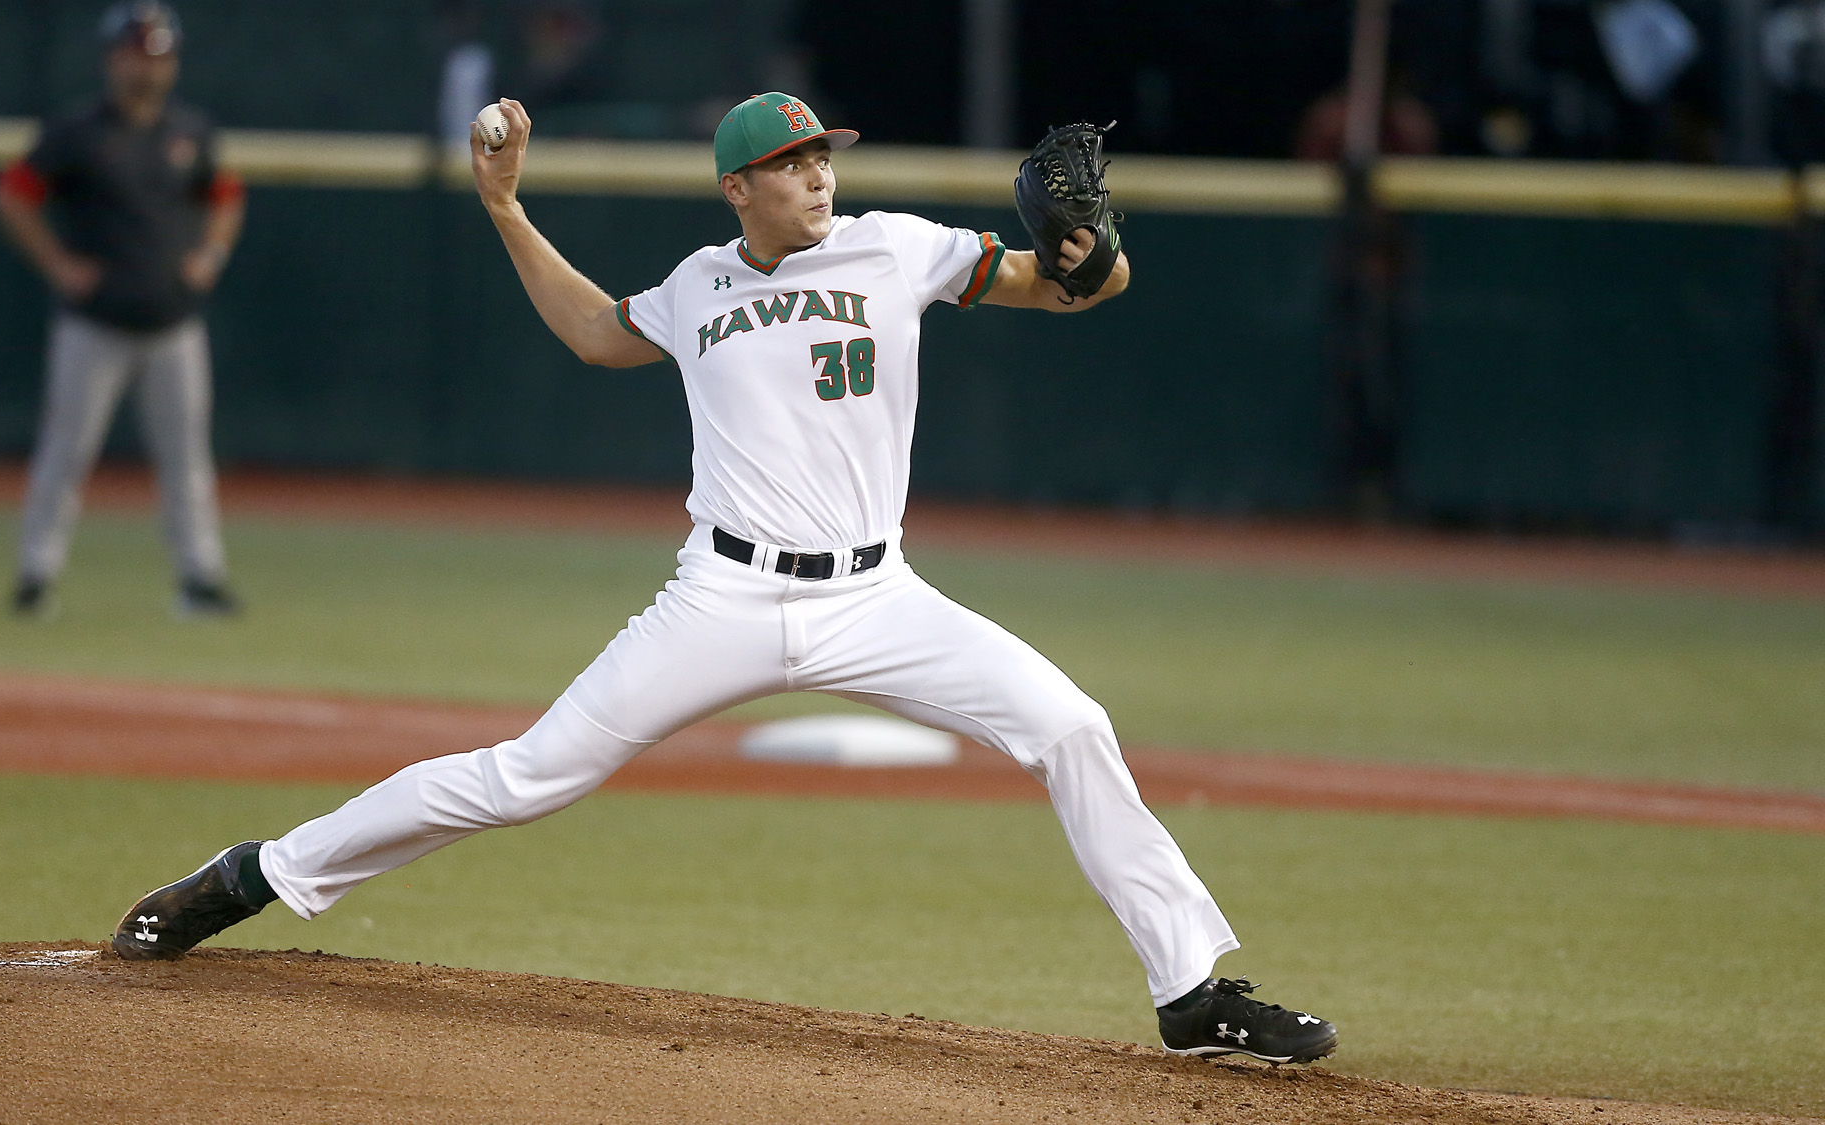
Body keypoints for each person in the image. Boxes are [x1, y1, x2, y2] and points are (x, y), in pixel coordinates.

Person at [111, 92, 1338, 1065]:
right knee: (527, 777)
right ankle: (251, 876)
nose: (818, 176)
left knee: (1070, 725)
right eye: (795, 163)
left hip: (876, 598)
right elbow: (598, 334)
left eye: (824, 158)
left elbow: (1067, 290)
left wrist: (1091, 253)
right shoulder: (698, 285)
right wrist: (503, 208)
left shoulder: (896, 248)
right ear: (737, 186)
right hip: (722, 598)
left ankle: (1189, 991)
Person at [0, 1, 244, 619]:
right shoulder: (77, 133)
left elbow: (227, 196)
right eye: (136, 53)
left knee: (185, 459)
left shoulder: (190, 131)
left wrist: (209, 254)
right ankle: (36, 575)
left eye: (158, 55)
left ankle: (200, 578)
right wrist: (56, 263)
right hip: (95, 324)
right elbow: (11, 196)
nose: (148, 67)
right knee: (66, 452)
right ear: (112, 58)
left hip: (172, 324)